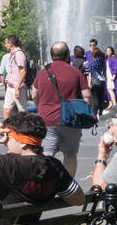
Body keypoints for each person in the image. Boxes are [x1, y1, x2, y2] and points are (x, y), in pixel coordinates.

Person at [31, 41, 90, 177]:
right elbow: (87, 95)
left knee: (46, 155)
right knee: (70, 155)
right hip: (71, 119)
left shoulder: (43, 73)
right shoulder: (75, 72)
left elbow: (34, 94)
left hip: (48, 120)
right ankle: (68, 188)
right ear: (68, 55)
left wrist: (41, 107)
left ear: (51, 56)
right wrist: (86, 112)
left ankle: (45, 186)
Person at [2, 34, 29, 115]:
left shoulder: (19, 54)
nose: (5, 45)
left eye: (6, 43)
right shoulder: (13, 54)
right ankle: (7, 127)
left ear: (11, 44)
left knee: (23, 112)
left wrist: (17, 88)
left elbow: (23, 71)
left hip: (18, 87)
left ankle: (28, 127)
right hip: (10, 86)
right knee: (6, 110)